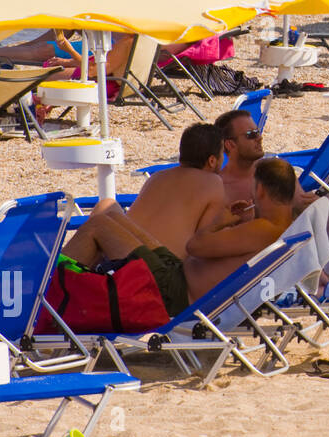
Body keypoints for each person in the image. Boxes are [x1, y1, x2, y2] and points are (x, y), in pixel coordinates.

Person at [60, 123, 227, 315]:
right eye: (223, 155)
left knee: (106, 205)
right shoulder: (213, 183)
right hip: (157, 272)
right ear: (213, 160)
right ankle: (56, 284)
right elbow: (202, 246)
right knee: (106, 211)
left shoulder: (157, 177)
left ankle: (54, 280)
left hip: (116, 255)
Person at [182, 157, 297, 300]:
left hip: (181, 293)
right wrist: (247, 222)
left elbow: (194, 246)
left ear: (260, 190)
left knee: (146, 255)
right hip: (228, 305)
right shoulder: (290, 230)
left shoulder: (262, 229)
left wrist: (218, 223)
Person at [214, 108, 265, 218]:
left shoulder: (275, 173)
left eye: (258, 132)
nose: (260, 138)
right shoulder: (220, 190)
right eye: (251, 134)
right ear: (230, 145)